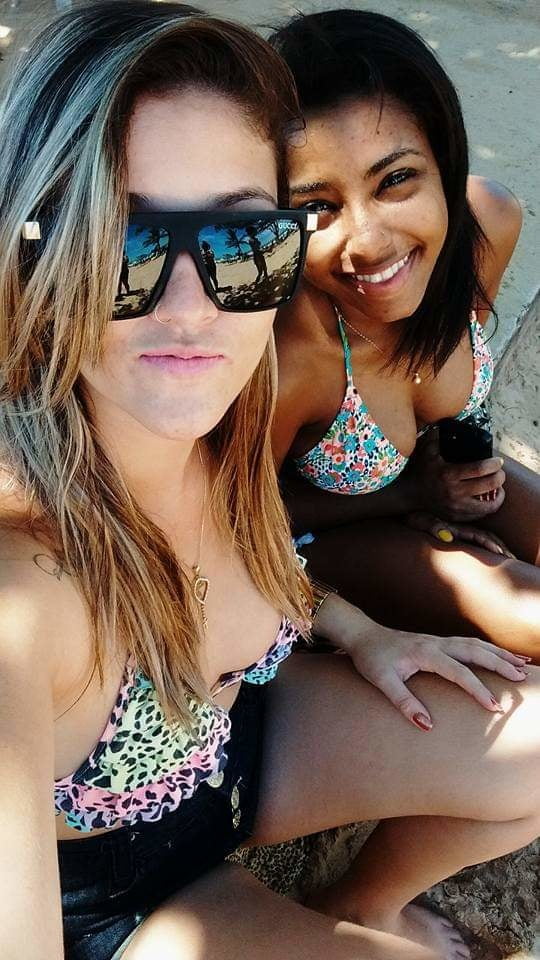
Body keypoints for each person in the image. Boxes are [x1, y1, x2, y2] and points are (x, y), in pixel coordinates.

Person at [0, 4, 539, 960]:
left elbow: (264, 561)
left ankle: (362, 900)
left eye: (243, 237)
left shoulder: (231, 419)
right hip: (131, 902)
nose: (192, 305)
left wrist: (361, 632)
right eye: (122, 239)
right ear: (31, 248)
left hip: (248, 753)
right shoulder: (23, 589)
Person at [270, 9, 540, 658]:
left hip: (448, 482)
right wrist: (415, 493)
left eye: (395, 180)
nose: (369, 242)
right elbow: (239, 523)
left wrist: (446, 479)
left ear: (443, 159)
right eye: (317, 207)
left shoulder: (486, 223)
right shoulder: (292, 348)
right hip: (321, 538)